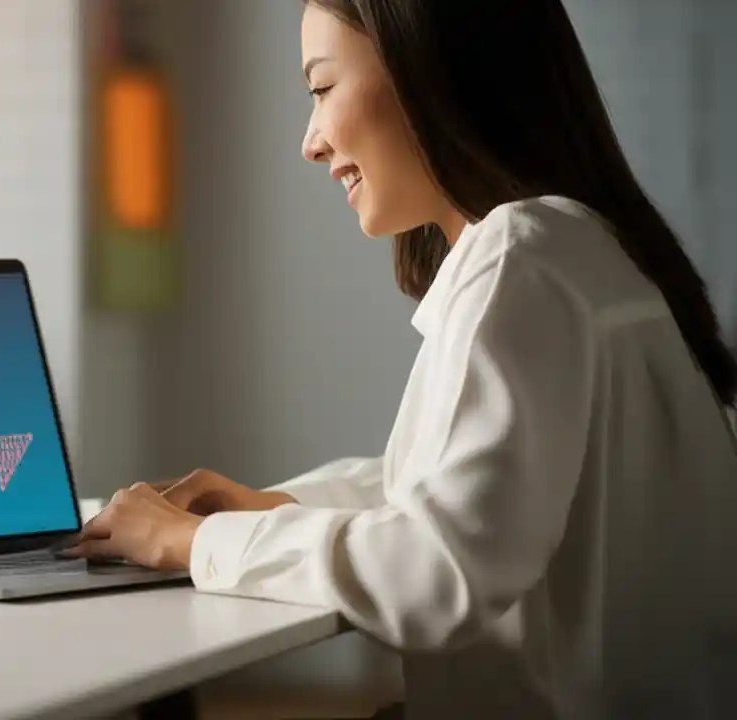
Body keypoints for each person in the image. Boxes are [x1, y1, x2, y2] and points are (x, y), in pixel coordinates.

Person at [61, 0, 737, 717]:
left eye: (321, 89)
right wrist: (270, 508)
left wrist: (198, 542)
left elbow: (439, 572)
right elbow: (457, 488)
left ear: (426, 70)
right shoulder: (587, 247)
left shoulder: (523, 252)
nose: (310, 143)